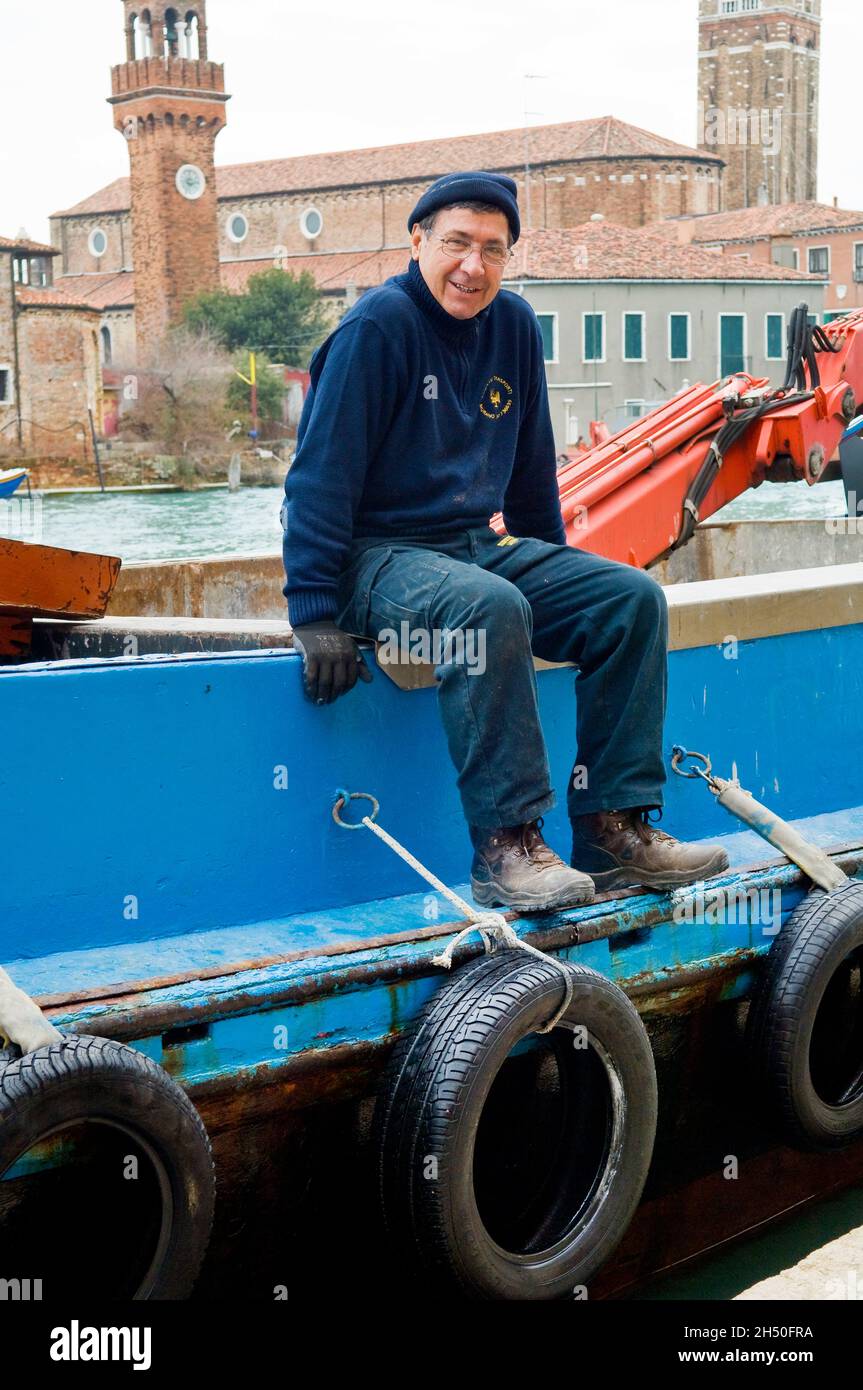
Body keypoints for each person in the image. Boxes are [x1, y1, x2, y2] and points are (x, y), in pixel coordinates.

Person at [281, 171, 728, 911]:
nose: (472, 265)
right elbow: (318, 482)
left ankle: (613, 831)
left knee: (630, 599)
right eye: (456, 243)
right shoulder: (377, 330)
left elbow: (527, 477)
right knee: (486, 609)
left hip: (469, 546)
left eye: (493, 249)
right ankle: (507, 847)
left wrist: (557, 575)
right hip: (376, 558)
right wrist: (314, 612)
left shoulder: (512, 325)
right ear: (417, 240)